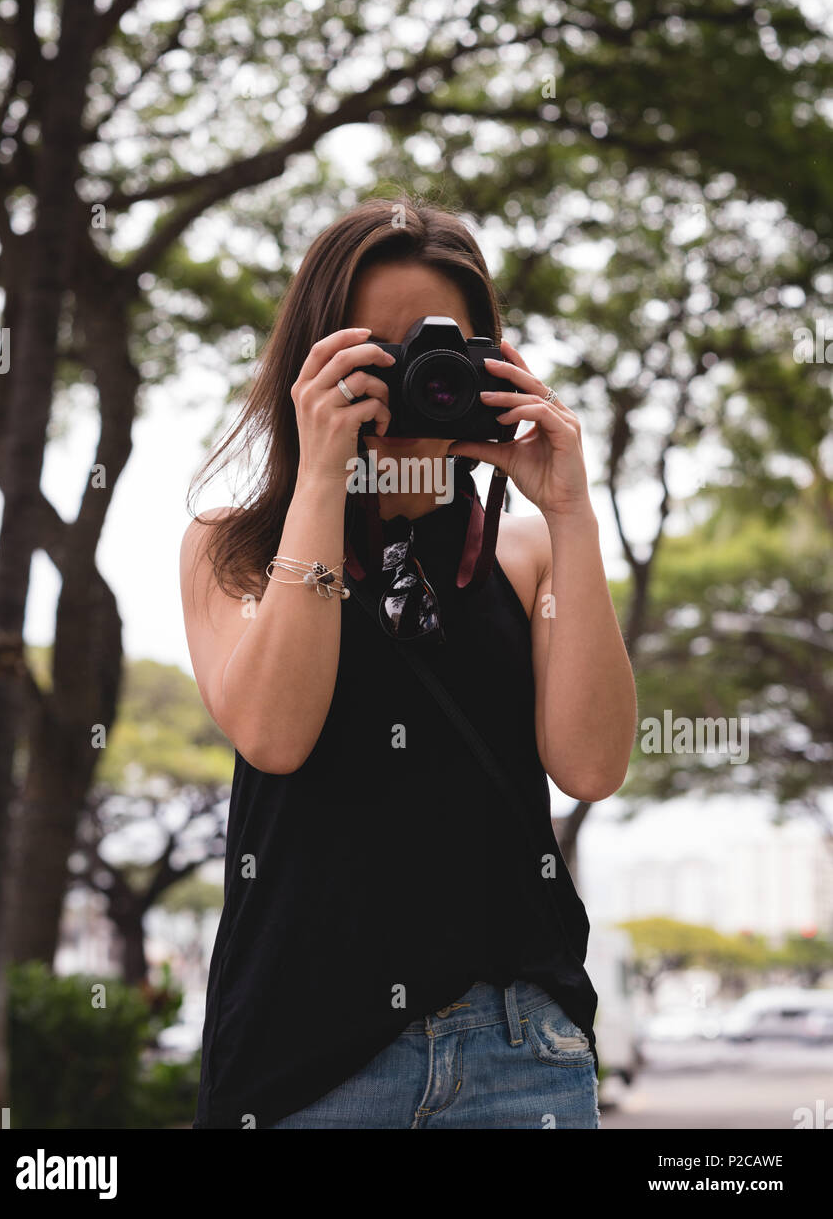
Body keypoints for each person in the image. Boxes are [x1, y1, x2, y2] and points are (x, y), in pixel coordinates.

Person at [180, 195, 637, 1129]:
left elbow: (592, 766)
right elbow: (274, 735)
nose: (406, 380)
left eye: (438, 350)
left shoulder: (527, 553)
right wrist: (321, 475)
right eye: (373, 354)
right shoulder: (229, 550)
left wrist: (570, 512)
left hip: (520, 1053)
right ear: (314, 362)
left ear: (486, 365)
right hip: (302, 1058)